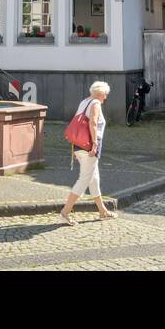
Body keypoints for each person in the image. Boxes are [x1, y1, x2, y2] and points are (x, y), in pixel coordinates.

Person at [60, 81, 116, 225]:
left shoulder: (84, 102)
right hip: (89, 146)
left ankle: (103, 211)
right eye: (105, 95)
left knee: (94, 179)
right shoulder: (95, 103)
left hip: (79, 145)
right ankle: (65, 212)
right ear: (101, 93)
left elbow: (77, 124)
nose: (106, 98)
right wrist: (95, 144)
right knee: (84, 180)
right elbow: (93, 123)